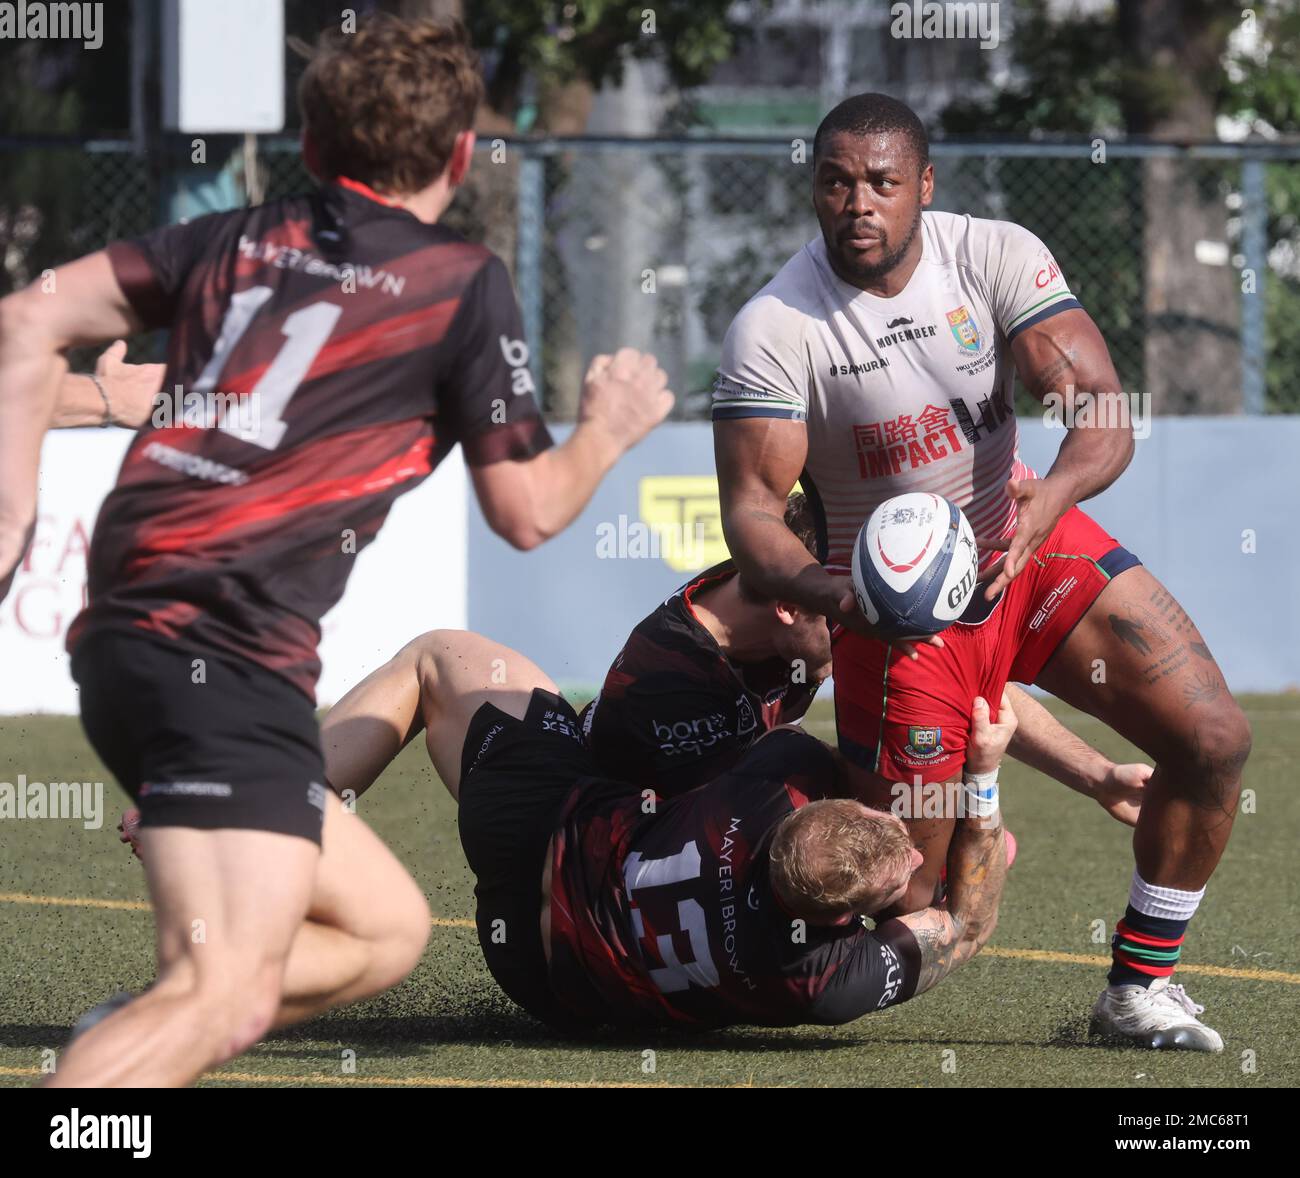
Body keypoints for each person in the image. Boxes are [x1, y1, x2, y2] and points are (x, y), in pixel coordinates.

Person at [0, 15, 670, 1086]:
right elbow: (529, 511)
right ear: (461, 156)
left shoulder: (230, 238)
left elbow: (23, 319)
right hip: (216, 648)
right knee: (221, 986)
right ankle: (112, 1070)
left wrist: (10, 517)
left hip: (151, 640)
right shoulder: (457, 279)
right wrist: (612, 425)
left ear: (310, 147)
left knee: (381, 929)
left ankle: (127, 1037)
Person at [711, 92, 1247, 1050]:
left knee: (1211, 738)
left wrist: (1047, 507)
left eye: (881, 182)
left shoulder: (992, 255)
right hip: (894, 618)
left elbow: (1103, 410)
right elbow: (752, 516)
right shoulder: (775, 326)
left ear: (925, 185)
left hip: (1021, 539)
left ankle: (1138, 988)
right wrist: (840, 597)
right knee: (907, 893)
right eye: (836, 182)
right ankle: (728, 867)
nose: (858, 203)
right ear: (814, 190)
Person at [317, 629, 1014, 1030]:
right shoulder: (826, 984)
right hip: (543, 981)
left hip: (533, 824)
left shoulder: (774, 779)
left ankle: (270, 836)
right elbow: (966, 923)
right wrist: (978, 787)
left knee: (438, 659)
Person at [583, 493, 1152, 827]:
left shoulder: (820, 604)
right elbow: (733, 814)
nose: (868, 634)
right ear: (789, 606)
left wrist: (1099, 778)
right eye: (851, 620)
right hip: (621, 845)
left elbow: (969, 690)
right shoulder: (665, 682)